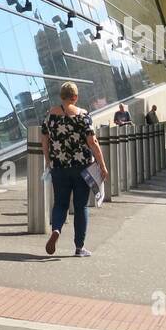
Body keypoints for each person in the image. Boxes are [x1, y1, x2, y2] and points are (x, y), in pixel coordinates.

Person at [41, 81, 109, 257]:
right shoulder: (83, 115)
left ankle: (56, 229)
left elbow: (44, 139)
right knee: (81, 206)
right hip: (81, 168)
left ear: (61, 96)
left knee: (60, 203)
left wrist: (49, 160)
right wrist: (102, 165)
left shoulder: (50, 116)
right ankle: (79, 247)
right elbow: (92, 142)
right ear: (75, 97)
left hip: (59, 167)